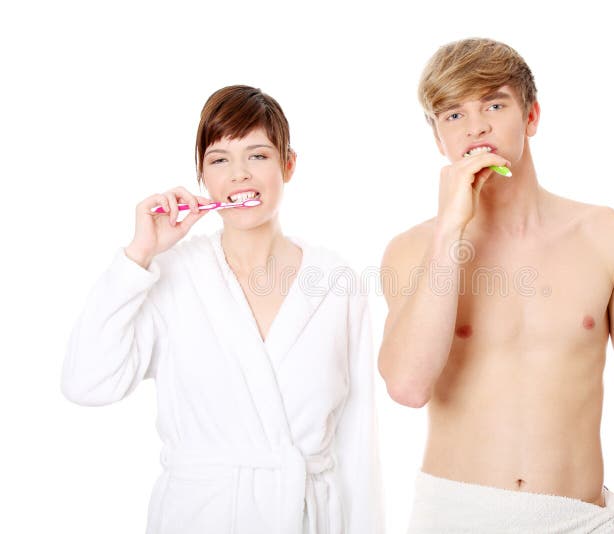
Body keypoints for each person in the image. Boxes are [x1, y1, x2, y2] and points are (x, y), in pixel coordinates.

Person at [378, 38, 614, 533]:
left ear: (532, 116)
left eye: (493, 105)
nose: (475, 126)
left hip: (577, 519)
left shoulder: (610, 238)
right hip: (454, 517)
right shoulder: (413, 250)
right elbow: (408, 386)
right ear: (439, 140)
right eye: (453, 115)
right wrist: (449, 232)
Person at [62, 85, 383, 534]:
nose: (239, 175)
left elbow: (357, 438)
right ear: (202, 177)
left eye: (258, 156)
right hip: (198, 517)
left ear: (287, 165)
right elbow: (87, 383)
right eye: (219, 160)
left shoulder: (336, 281)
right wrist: (139, 254)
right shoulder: (172, 274)